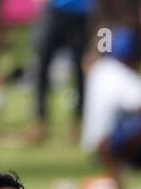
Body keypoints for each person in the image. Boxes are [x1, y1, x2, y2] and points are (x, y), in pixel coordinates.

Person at [80, 28, 141, 172]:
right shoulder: (126, 75)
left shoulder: (99, 68)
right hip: (109, 145)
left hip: (92, 143)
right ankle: (126, 160)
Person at [31, 0, 91, 142]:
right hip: (53, 10)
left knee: (81, 69)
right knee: (41, 67)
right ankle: (40, 121)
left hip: (81, 12)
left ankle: (78, 122)